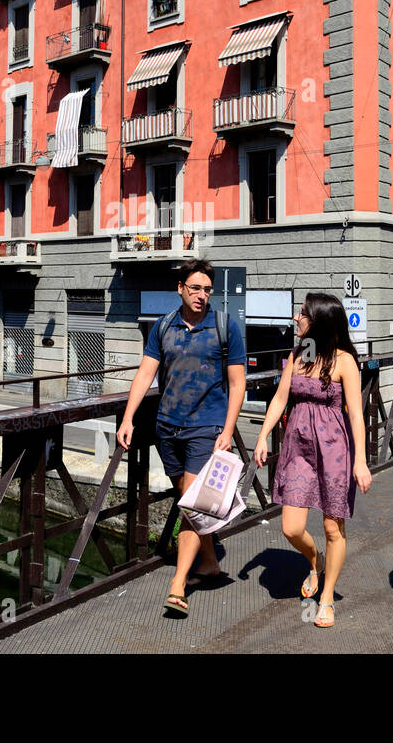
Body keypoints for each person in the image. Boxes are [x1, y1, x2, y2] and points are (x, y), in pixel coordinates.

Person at [117, 258, 247, 618]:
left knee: (190, 505)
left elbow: (238, 384)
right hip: (166, 427)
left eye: (207, 290)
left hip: (205, 428)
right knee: (187, 498)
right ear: (180, 289)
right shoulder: (163, 327)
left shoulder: (225, 327)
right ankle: (209, 563)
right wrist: (128, 418)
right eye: (195, 288)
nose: (202, 295)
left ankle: (177, 585)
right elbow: (145, 375)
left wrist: (227, 429)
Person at [253, 293, 372, 628]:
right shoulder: (299, 353)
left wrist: (360, 461)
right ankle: (314, 559)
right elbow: (279, 399)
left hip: (335, 449)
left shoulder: (345, 361)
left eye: (302, 314)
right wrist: (263, 437)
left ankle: (328, 596)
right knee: (291, 527)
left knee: (333, 527)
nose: (296, 318)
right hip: (299, 449)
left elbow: (357, 416)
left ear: (319, 321)